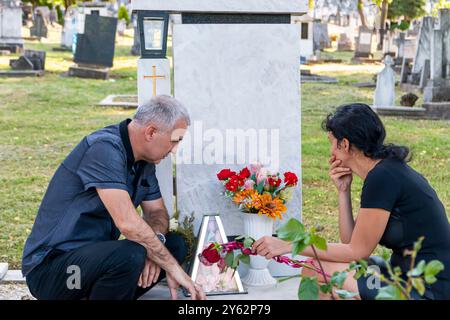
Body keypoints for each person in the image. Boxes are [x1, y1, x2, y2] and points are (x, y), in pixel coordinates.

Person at [253, 103, 450, 300]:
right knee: (316, 268)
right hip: (401, 274)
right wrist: (343, 191)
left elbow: (357, 253)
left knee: (318, 269)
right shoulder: (386, 171)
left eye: (332, 142)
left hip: (426, 288)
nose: (331, 151)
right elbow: (350, 244)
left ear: (345, 144)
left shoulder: (383, 177)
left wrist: (288, 245)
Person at [22, 95, 205, 300]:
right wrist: (172, 267)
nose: (174, 150)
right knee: (131, 255)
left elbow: (156, 212)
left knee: (174, 245)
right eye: (175, 140)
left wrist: (156, 247)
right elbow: (127, 223)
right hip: (55, 272)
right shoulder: (103, 148)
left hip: (94, 264)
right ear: (151, 132)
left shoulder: (145, 162)